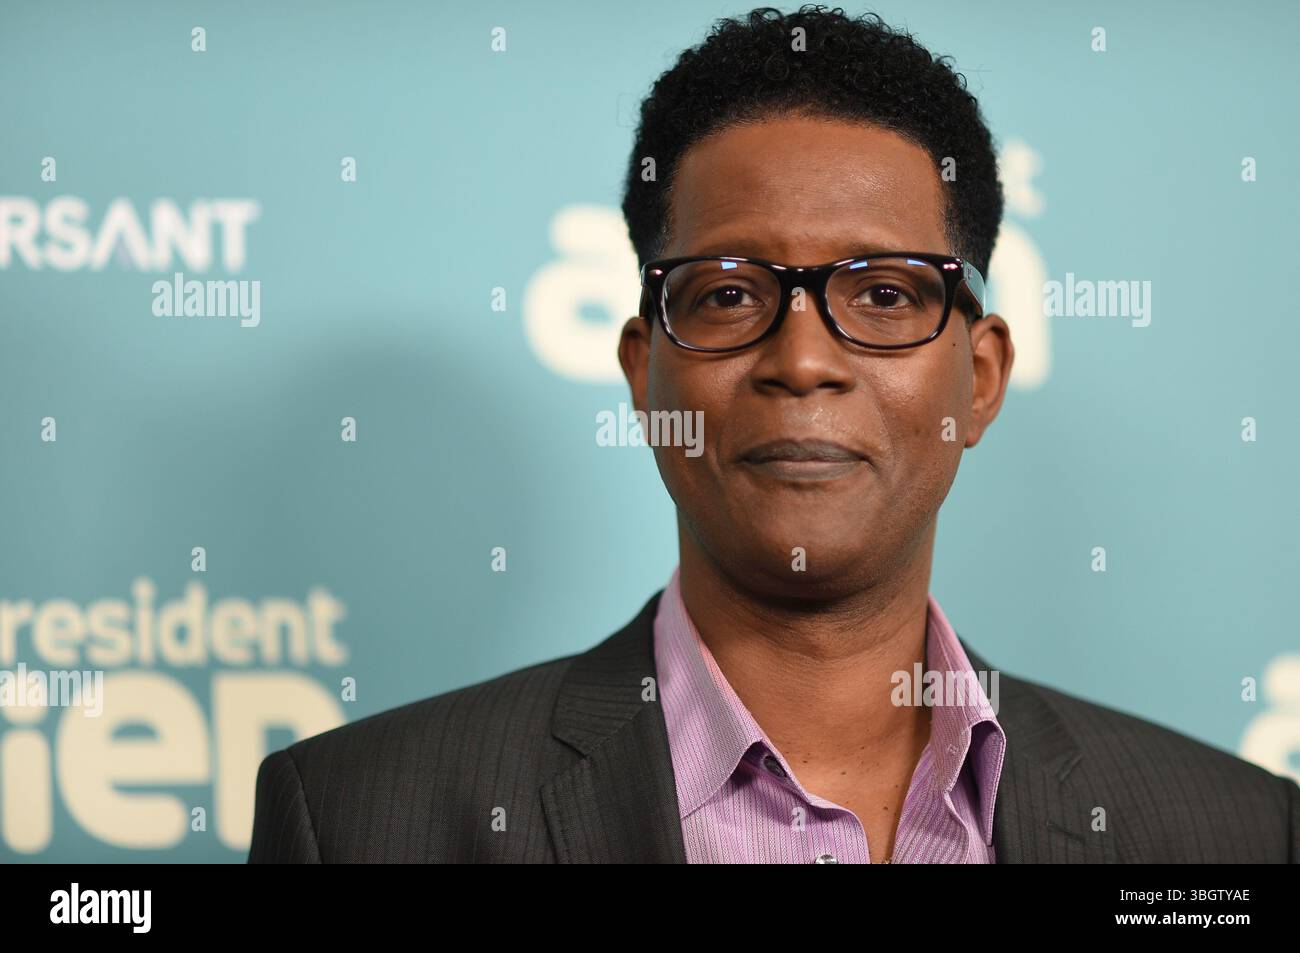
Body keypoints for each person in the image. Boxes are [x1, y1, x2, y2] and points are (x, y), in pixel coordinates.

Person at [248, 5, 1299, 863]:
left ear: (977, 380)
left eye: (884, 293)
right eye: (727, 294)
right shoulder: (360, 821)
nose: (802, 360)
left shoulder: (1230, 835)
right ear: (639, 369)